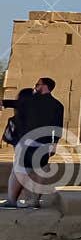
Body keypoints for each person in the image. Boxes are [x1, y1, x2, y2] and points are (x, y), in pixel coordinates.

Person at [2, 78, 65, 209]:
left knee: (18, 171)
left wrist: (3, 102)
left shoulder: (31, 100)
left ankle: (12, 201)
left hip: (26, 141)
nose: (35, 87)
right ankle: (34, 200)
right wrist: (54, 144)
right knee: (39, 171)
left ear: (45, 86)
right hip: (44, 143)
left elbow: (17, 103)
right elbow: (58, 127)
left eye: (38, 84)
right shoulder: (57, 105)